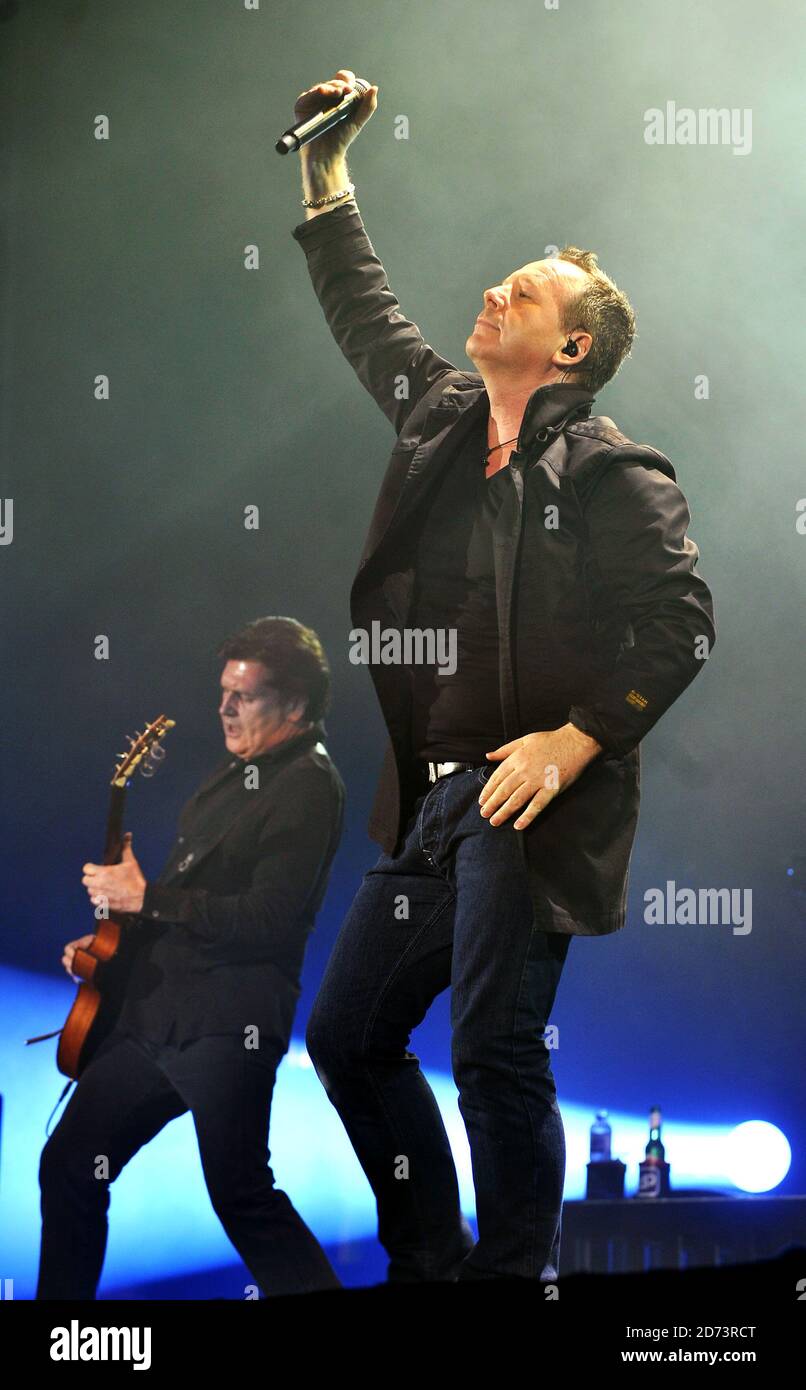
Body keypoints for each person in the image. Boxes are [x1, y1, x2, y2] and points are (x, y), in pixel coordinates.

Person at [291, 71, 717, 1282]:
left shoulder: (612, 471)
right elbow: (362, 306)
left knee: (491, 1045)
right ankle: (430, 1261)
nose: (490, 289)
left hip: (520, 804)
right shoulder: (436, 414)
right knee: (347, 1037)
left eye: (521, 290)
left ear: (570, 346)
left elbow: (679, 624)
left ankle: (516, 1275)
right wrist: (326, 172)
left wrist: (572, 741)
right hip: (430, 801)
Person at [36, 616, 346, 1299]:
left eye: (245, 695)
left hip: (225, 1027)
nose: (224, 708)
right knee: (68, 1163)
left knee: (241, 1195)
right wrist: (111, 942)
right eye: (223, 692)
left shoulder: (308, 785)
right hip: (157, 1021)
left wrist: (147, 899)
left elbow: (270, 919)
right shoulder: (229, 780)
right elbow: (170, 901)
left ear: (294, 704)